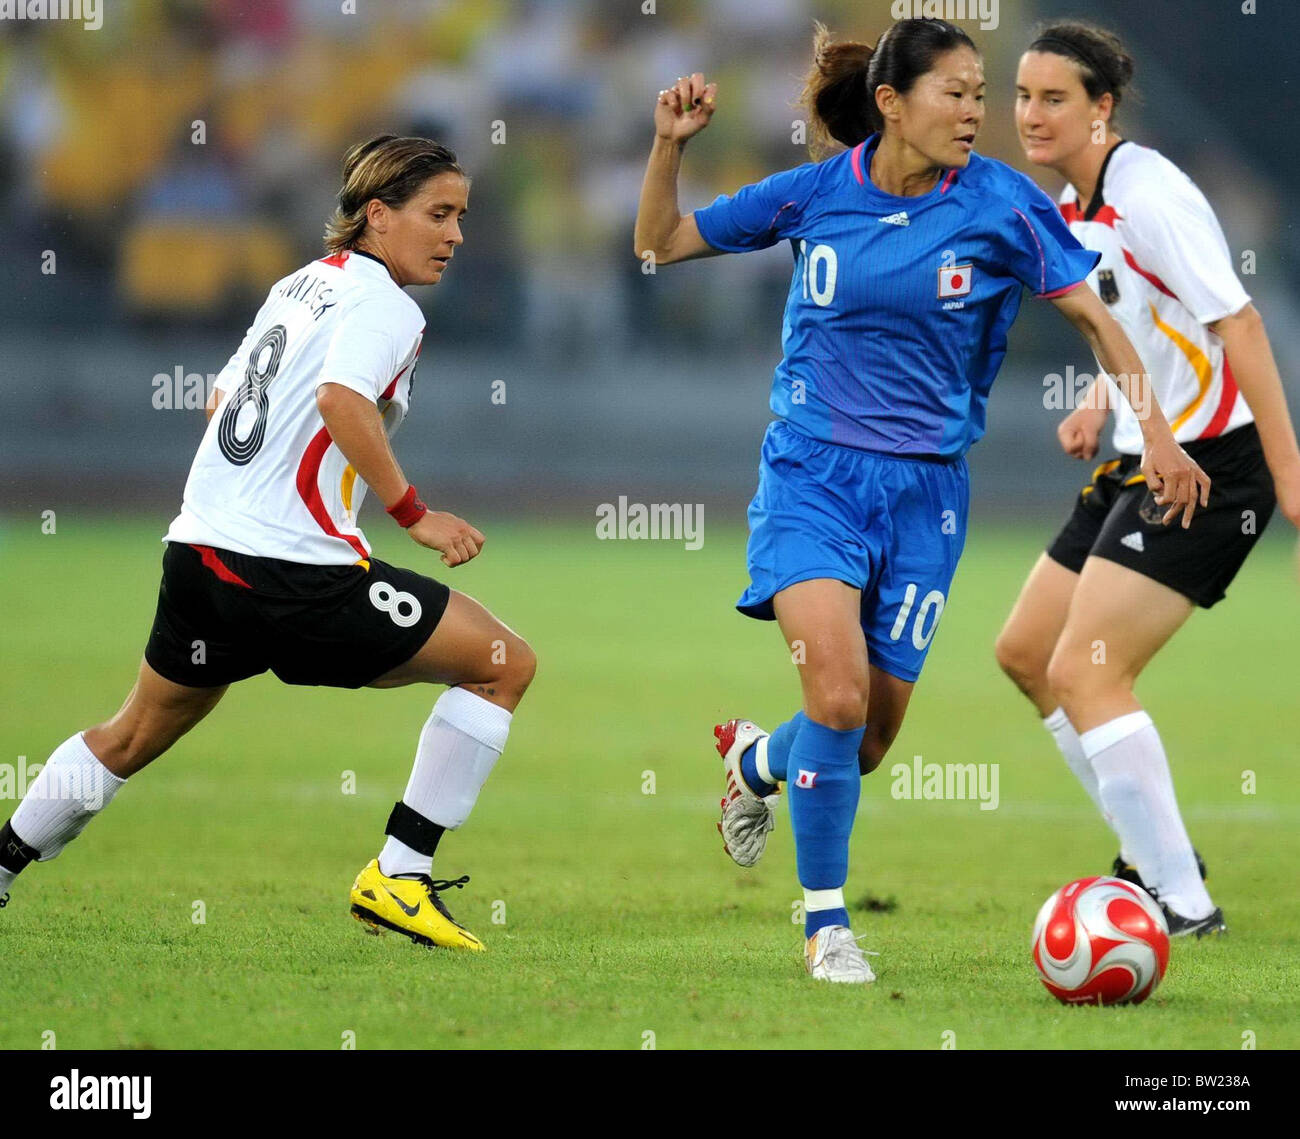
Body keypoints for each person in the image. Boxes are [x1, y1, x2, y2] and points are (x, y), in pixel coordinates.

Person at [634, 18, 1209, 984]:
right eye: (957, 91)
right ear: (893, 104)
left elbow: (1097, 318)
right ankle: (827, 926)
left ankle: (758, 764)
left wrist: (1155, 431)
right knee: (838, 693)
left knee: (863, 739)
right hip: (811, 476)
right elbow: (658, 243)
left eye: (982, 92)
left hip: (927, 498)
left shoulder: (1002, 204)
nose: (978, 110)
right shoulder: (815, 192)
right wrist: (667, 149)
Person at [0, 135, 536, 952]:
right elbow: (340, 400)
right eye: (439, 214)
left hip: (198, 555)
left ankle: (3, 864)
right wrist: (412, 512)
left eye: (461, 215)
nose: (456, 234)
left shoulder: (299, 283)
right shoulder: (388, 307)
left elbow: (221, 403)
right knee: (503, 662)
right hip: (290, 572)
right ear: (378, 216)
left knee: (131, 734)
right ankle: (399, 874)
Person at [994, 22, 1300, 937]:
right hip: (1140, 454)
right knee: (1026, 652)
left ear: (1103, 108)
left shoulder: (1150, 196)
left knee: (1088, 670)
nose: (1032, 114)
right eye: (1022, 95)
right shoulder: (1076, 199)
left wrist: (1288, 478)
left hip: (1209, 466)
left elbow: (1238, 325)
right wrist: (1102, 403)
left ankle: (1182, 901)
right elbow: (1138, 312)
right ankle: (1154, 852)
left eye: (1056, 98)